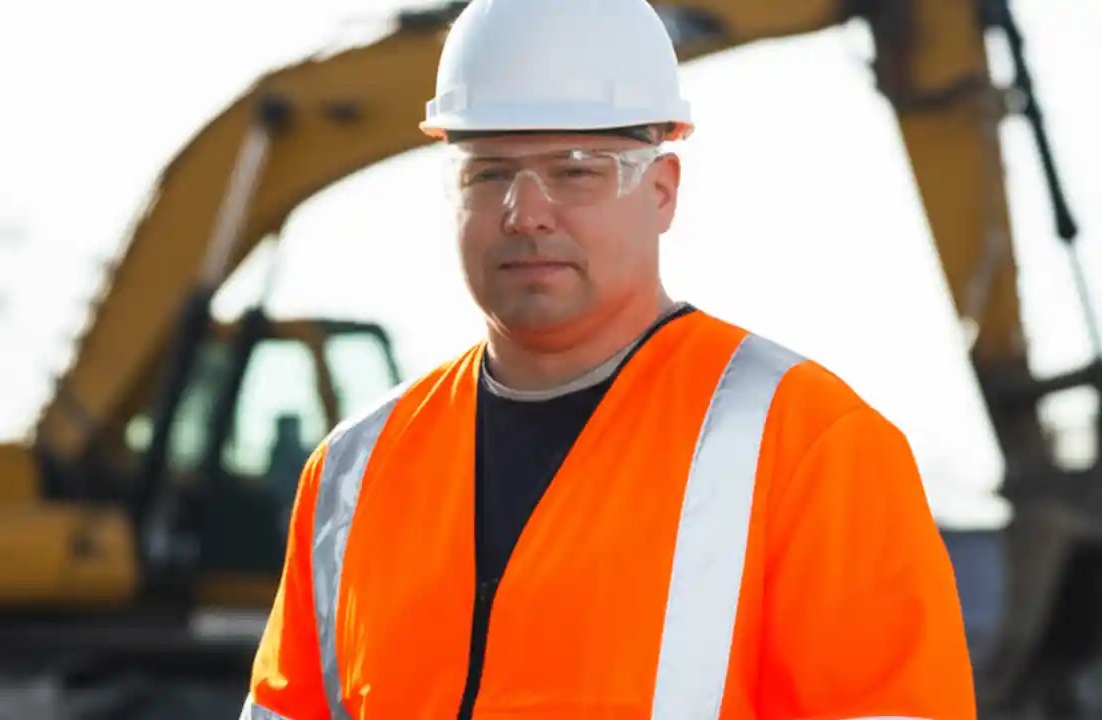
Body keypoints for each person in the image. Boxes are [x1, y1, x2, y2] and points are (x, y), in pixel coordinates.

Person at [242, 0, 976, 717]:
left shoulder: (808, 448)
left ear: (662, 191)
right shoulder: (352, 475)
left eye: (575, 171)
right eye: (488, 173)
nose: (525, 212)